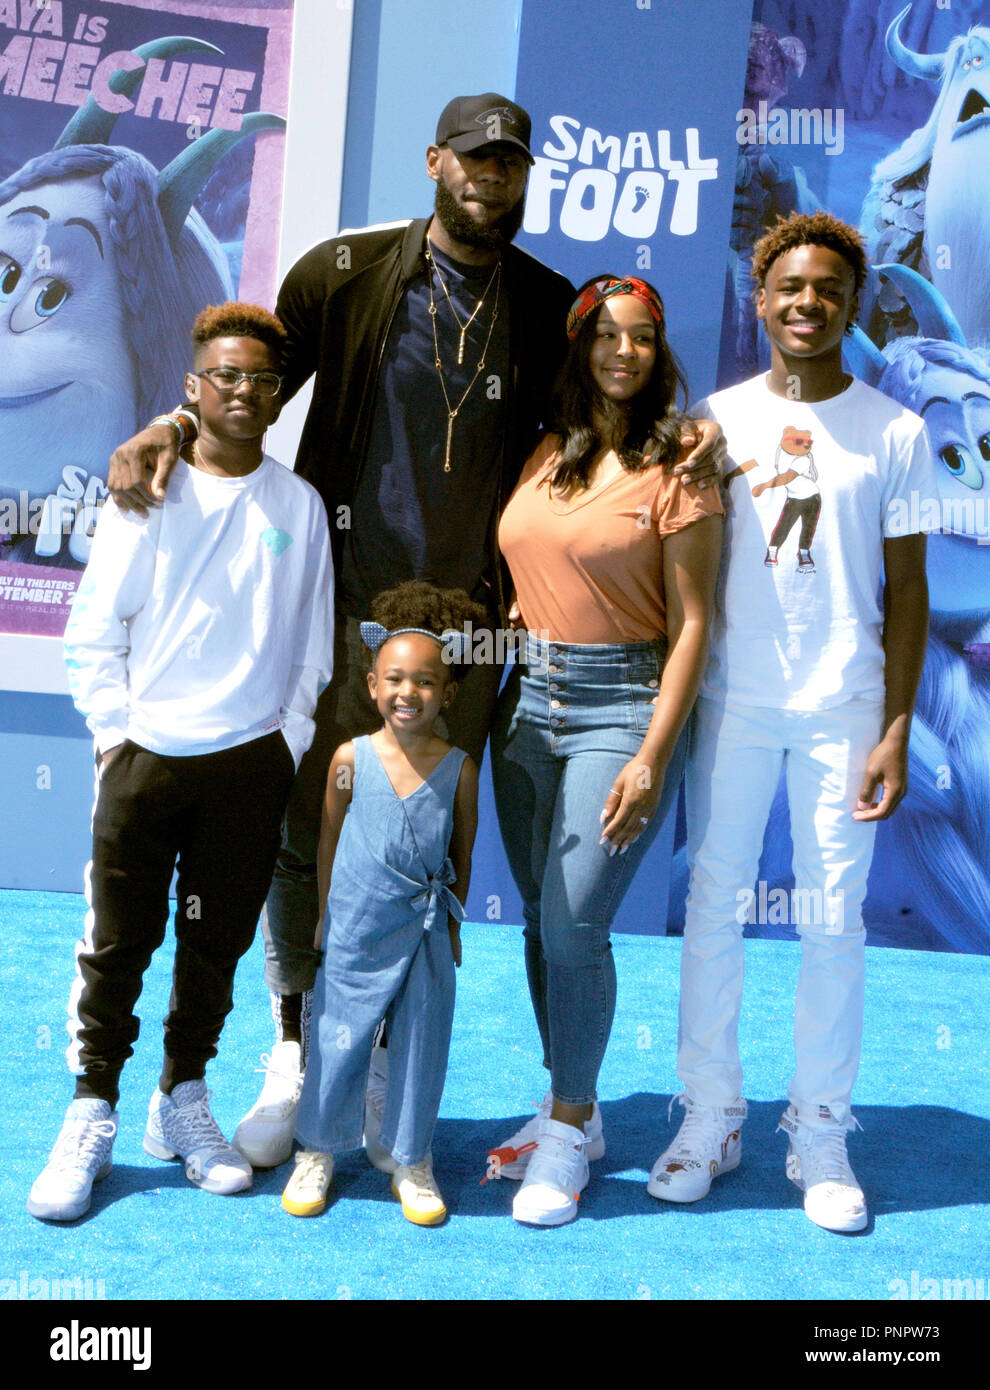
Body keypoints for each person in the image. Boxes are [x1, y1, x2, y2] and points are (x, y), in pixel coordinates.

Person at [105, 93, 724, 1171]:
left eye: (511, 164)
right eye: (474, 158)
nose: (491, 177)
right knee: (311, 838)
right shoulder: (340, 275)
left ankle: (388, 1056)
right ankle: (300, 1049)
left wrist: (691, 432)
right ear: (435, 160)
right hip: (345, 612)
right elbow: (246, 382)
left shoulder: (542, 304)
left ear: (526, 178)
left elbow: (604, 412)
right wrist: (168, 422)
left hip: (478, 636)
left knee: (424, 850)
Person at [648, 212, 936, 1232]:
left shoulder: (897, 431)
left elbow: (909, 594)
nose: (807, 302)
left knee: (834, 920)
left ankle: (819, 1128)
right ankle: (712, 1114)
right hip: (733, 700)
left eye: (827, 288)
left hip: (845, 705)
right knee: (714, 902)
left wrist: (895, 725)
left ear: (851, 304)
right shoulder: (713, 421)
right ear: (760, 300)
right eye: (789, 287)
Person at [27, 303, 334, 1221]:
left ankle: (183, 1098)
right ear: (194, 389)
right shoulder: (147, 489)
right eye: (225, 377)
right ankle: (92, 1109)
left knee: (214, 946)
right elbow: (92, 633)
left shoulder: (300, 505)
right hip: (146, 760)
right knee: (118, 943)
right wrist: (119, 737)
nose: (244, 392)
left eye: (261, 380)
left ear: (280, 398)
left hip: (248, 766)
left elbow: (312, 648)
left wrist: (284, 741)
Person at [487, 276, 724, 1226]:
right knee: (546, 921)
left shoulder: (685, 461)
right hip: (524, 705)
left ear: (660, 350)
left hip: (622, 706)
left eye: (643, 336)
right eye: (606, 336)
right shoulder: (548, 450)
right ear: (580, 348)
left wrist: (654, 755)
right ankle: (568, 1114)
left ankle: (569, 1130)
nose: (624, 351)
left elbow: (697, 624)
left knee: (577, 925)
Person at [280, 581, 480, 1226]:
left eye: (425, 682)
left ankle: (413, 1158)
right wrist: (322, 915)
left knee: (423, 1042)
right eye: (395, 679)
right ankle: (316, 1150)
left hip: (425, 929)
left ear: (447, 694)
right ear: (371, 686)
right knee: (338, 1040)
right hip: (356, 923)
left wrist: (452, 924)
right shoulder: (348, 758)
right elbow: (332, 835)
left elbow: (465, 852)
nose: (408, 693)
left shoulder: (461, 768)